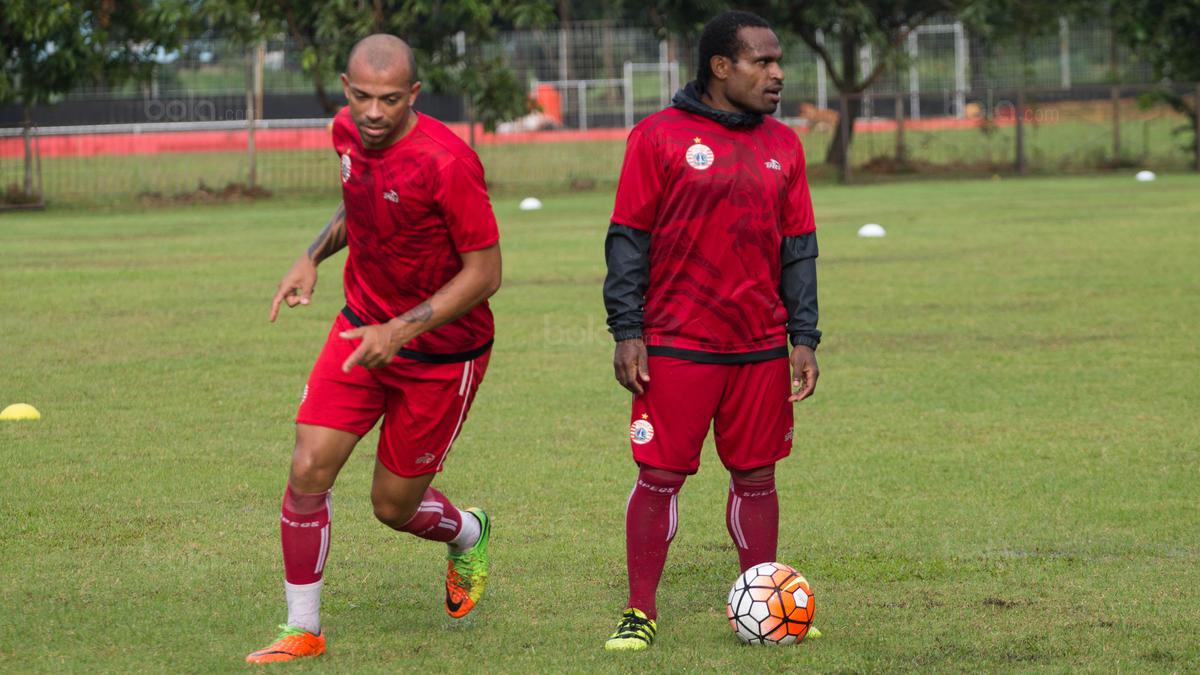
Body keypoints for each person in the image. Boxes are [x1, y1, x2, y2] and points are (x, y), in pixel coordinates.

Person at [246, 34, 502, 664]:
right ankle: (302, 628)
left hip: (443, 355)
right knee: (307, 467)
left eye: (390, 99)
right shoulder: (346, 133)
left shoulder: (447, 161)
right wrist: (309, 257)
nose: (374, 113)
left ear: (413, 94)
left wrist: (402, 331)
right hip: (360, 329)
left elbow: (486, 273)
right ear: (346, 89)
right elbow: (357, 201)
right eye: (362, 97)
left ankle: (468, 533)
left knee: (392, 506)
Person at [602, 11, 821, 651]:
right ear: (721, 67)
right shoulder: (658, 137)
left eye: (778, 61)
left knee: (757, 476)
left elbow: (799, 247)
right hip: (675, 343)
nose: (777, 73)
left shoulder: (784, 145)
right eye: (762, 61)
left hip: (758, 345)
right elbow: (628, 240)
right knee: (660, 477)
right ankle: (640, 611)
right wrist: (627, 328)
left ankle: (765, 602)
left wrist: (803, 336)